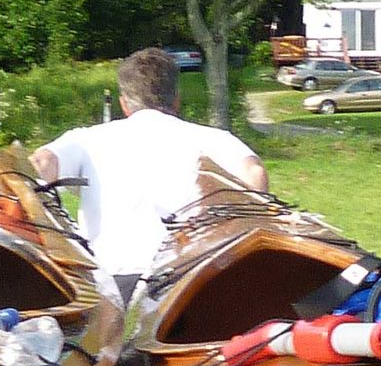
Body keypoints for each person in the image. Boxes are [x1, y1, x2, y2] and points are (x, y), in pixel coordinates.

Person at [33, 48, 268, 303]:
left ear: (124, 104)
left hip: (110, 281)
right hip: (190, 277)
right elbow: (255, 174)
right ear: (176, 99)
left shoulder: (86, 139)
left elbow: (43, 161)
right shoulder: (214, 138)